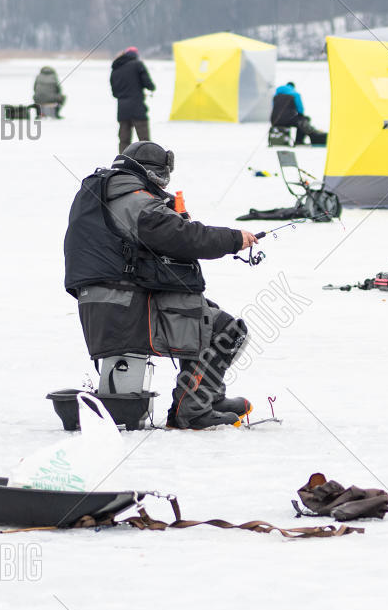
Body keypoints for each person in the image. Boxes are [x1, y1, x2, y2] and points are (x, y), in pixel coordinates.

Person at [63, 141, 258, 429]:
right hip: (128, 302)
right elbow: (180, 236)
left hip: (116, 298)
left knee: (213, 318)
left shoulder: (107, 192)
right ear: (156, 172)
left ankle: (208, 398)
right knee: (224, 329)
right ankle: (192, 412)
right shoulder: (134, 198)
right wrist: (233, 239)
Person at [110, 46, 156, 151]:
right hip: (137, 108)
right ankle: (147, 161)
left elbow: (115, 93)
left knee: (124, 140)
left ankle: (123, 161)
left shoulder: (115, 68)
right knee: (144, 140)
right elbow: (148, 84)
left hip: (122, 110)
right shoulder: (137, 65)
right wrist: (149, 88)